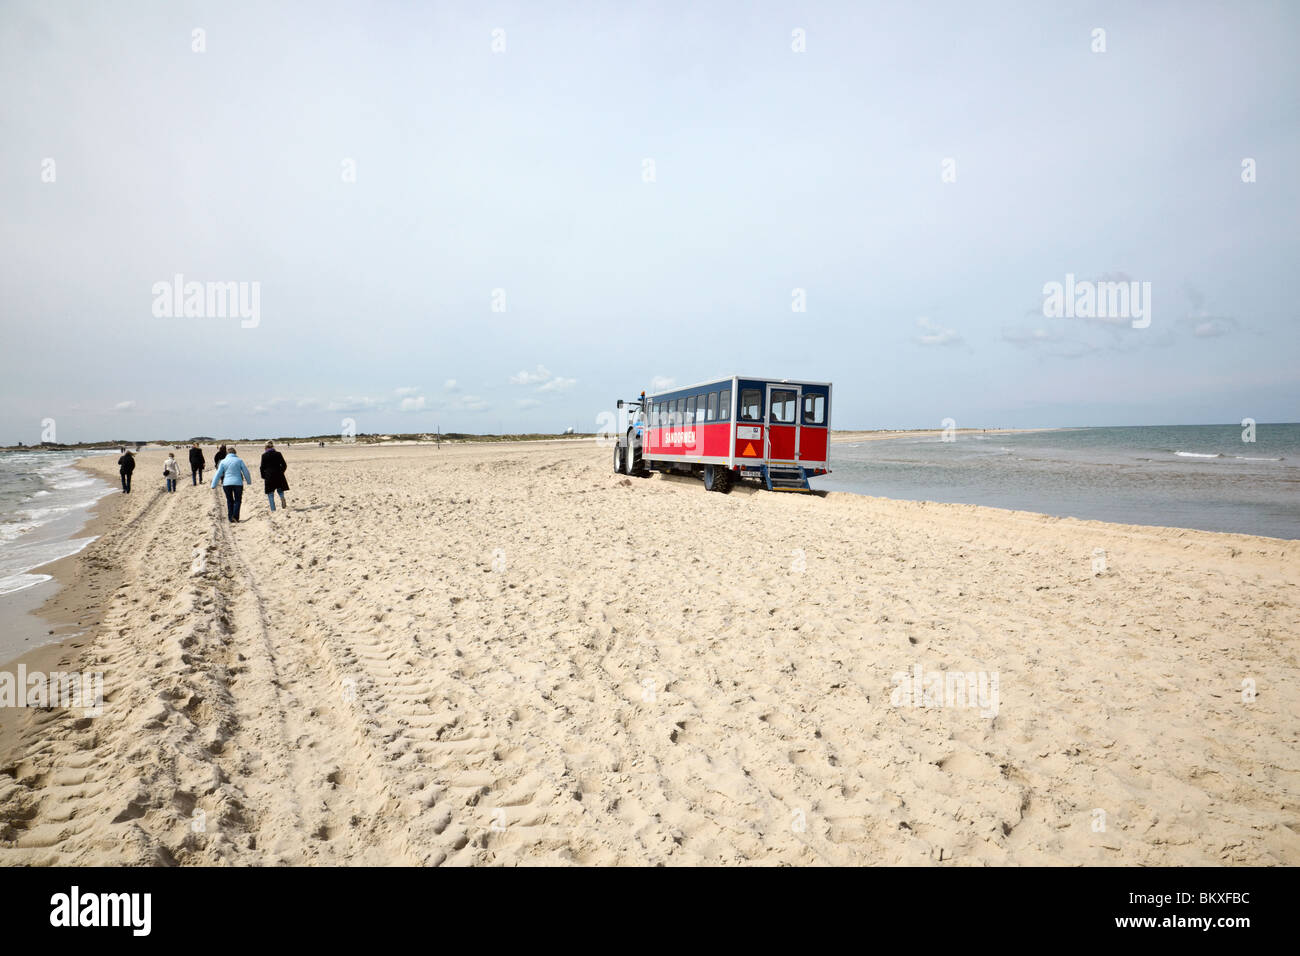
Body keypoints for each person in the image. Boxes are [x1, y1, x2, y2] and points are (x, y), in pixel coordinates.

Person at [210, 446, 252, 522]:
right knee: (238, 500)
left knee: (229, 500)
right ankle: (235, 517)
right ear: (235, 453)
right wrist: (248, 481)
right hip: (238, 483)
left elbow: (218, 474)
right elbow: (246, 471)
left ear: (227, 453)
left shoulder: (223, 461)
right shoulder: (239, 460)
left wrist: (213, 484)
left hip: (226, 484)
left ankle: (230, 517)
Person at [259, 441, 290, 512]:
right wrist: (281, 472)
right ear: (272, 447)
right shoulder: (278, 454)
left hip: (269, 476)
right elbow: (284, 465)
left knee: (270, 493)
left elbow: (262, 467)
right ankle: (282, 498)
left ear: (266, 447)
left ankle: (273, 509)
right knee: (280, 489)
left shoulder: (264, 455)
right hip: (279, 474)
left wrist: (263, 476)